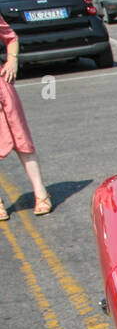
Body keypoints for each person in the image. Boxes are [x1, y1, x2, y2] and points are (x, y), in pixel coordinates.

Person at [0, 18, 53, 220]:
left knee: (22, 141)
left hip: (2, 89)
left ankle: (41, 194)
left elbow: (11, 37)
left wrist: (12, 60)